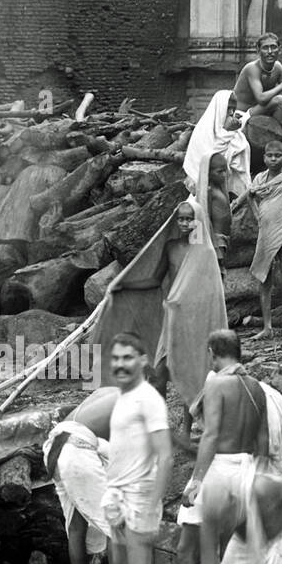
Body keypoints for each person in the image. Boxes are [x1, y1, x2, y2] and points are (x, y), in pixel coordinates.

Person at [179, 329, 282, 564]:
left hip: (219, 471)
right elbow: (263, 441)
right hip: (248, 470)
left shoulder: (216, 384)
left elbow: (210, 436)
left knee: (192, 553)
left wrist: (196, 481)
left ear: (213, 352)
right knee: (232, 556)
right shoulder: (256, 388)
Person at [97, 167, 227, 407]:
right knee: (158, 375)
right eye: (181, 219)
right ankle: (159, 419)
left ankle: (188, 425)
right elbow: (155, 279)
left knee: (193, 375)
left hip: (193, 321)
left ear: (198, 221)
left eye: (189, 219)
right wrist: (123, 284)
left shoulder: (205, 253)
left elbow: (210, 293)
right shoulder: (171, 247)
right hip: (171, 317)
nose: (185, 223)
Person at [102, 333, 173, 564]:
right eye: (116, 358)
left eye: (127, 358)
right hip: (117, 495)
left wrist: (152, 503)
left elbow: (166, 456)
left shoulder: (149, 399)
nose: (120, 364)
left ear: (143, 361)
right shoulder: (123, 396)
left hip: (140, 497)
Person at [44, 386, 127, 564]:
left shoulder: (106, 392)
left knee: (75, 526)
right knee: (116, 526)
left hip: (54, 448)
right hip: (77, 449)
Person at [244, 138, 282, 334]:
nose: (274, 159)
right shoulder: (259, 179)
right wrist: (258, 217)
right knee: (264, 279)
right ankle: (267, 326)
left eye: (278, 156)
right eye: (270, 156)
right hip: (266, 233)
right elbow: (251, 196)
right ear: (264, 158)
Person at [232, 33, 282, 140]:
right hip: (242, 115)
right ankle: (279, 141)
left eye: (273, 47)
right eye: (265, 48)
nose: (270, 51)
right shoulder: (252, 68)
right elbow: (261, 98)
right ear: (258, 51)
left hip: (261, 111)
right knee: (280, 100)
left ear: (279, 50)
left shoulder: (277, 66)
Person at [183, 90, 250, 199]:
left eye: (233, 109)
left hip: (233, 192)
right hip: (207, 190)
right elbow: (210, 159)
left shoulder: (234, 131)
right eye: (228, 108)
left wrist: (231, 131)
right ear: (220, 108)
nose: (231, 112)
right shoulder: (203, 131)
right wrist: (228, 131)